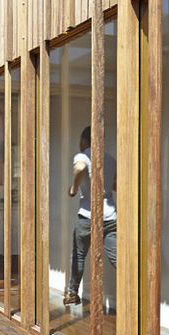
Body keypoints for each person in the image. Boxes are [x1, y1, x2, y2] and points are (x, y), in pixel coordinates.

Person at [63, 125, 117, 306]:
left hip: (87, 216)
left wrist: (74, 188)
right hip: (110, 217)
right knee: (117, 257)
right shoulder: (110, 159)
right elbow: (115, 185)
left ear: (84, 140)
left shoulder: (82, 155)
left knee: (79, 254)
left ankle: (72, 292)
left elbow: (79, 168)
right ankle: (133, 293)